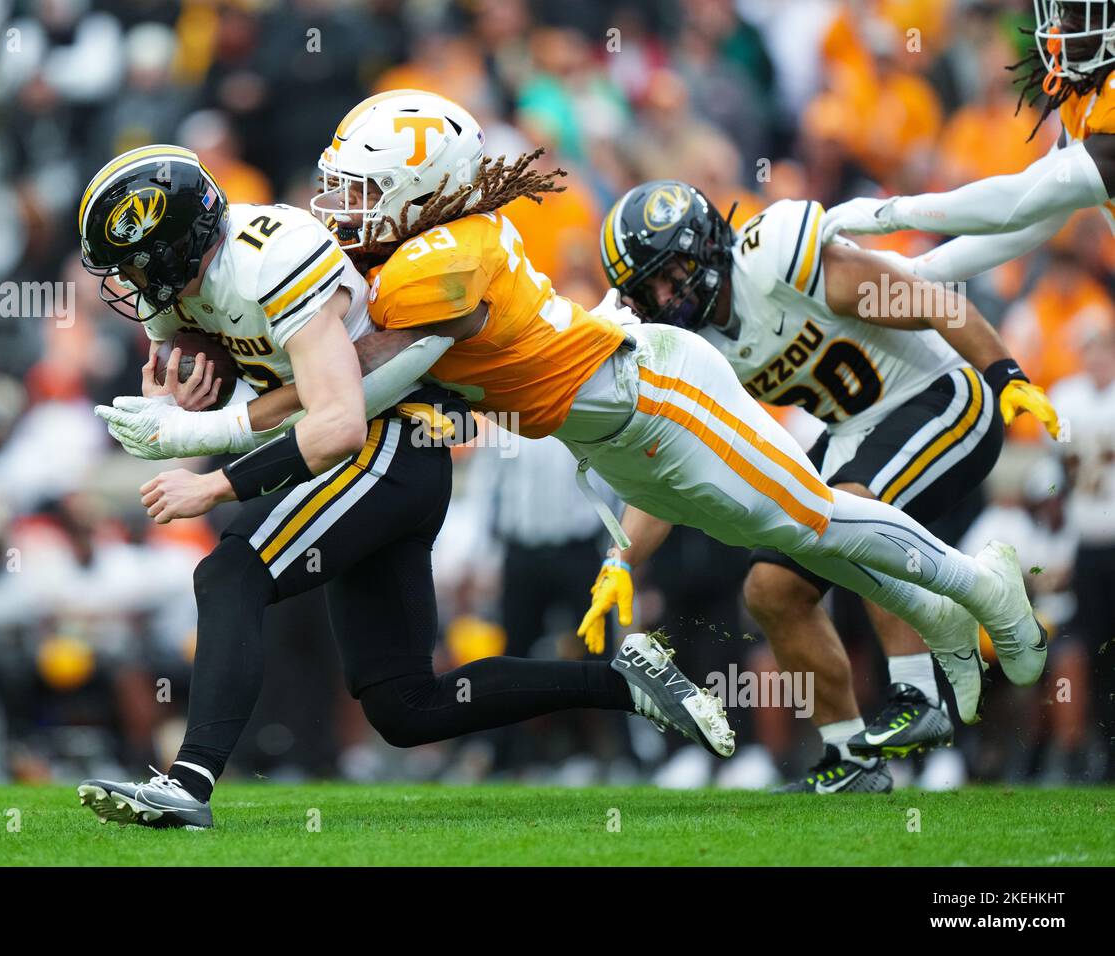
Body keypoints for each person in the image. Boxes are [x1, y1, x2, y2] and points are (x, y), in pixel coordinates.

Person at [114, 92, 1049, 766]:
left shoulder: (437, 261)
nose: (341, 210)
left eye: (364, 193)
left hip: (648, 397)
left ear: (427, 192)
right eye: (341, 188)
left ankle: (985, 591)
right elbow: (333, 375)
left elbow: (347, 392)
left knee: (812, 515)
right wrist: (221, 362)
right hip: (604, 442)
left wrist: (222, 429)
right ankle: (932, 611)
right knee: (784, 536)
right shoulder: (402, 252)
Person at [78, 145, 732, 829]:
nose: (129, 281)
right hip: (379, 456)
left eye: (135, 262)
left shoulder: (268, 259)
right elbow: (223, 370)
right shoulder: (190, 281)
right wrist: (182, 399)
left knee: (230, 572)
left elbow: (334, 422)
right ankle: (626, 683)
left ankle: (189, 784)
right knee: (405, 705)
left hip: (390, 442)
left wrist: (214, 486)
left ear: (179, 245)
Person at [592, 179, 1062, 793]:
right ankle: (849, 762)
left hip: (940, 391)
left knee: (855, 513)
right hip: (854, 432)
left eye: (670, 272)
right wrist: (620, 560)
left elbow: (927, 300)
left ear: (705, 244)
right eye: (646, 287)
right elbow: (672, 470)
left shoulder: (773, 262)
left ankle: (917, 691)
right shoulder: (689, 351)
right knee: (770, 589)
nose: (663, 294)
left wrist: (1005, 374)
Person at [820, 1, 1115, 286]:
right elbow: (1036, 220)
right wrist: (915, 272)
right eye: (1066, 12)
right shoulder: (1089, 93)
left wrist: (891, 214)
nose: (1063, 28)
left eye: (1081, 15)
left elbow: (1018, 202)